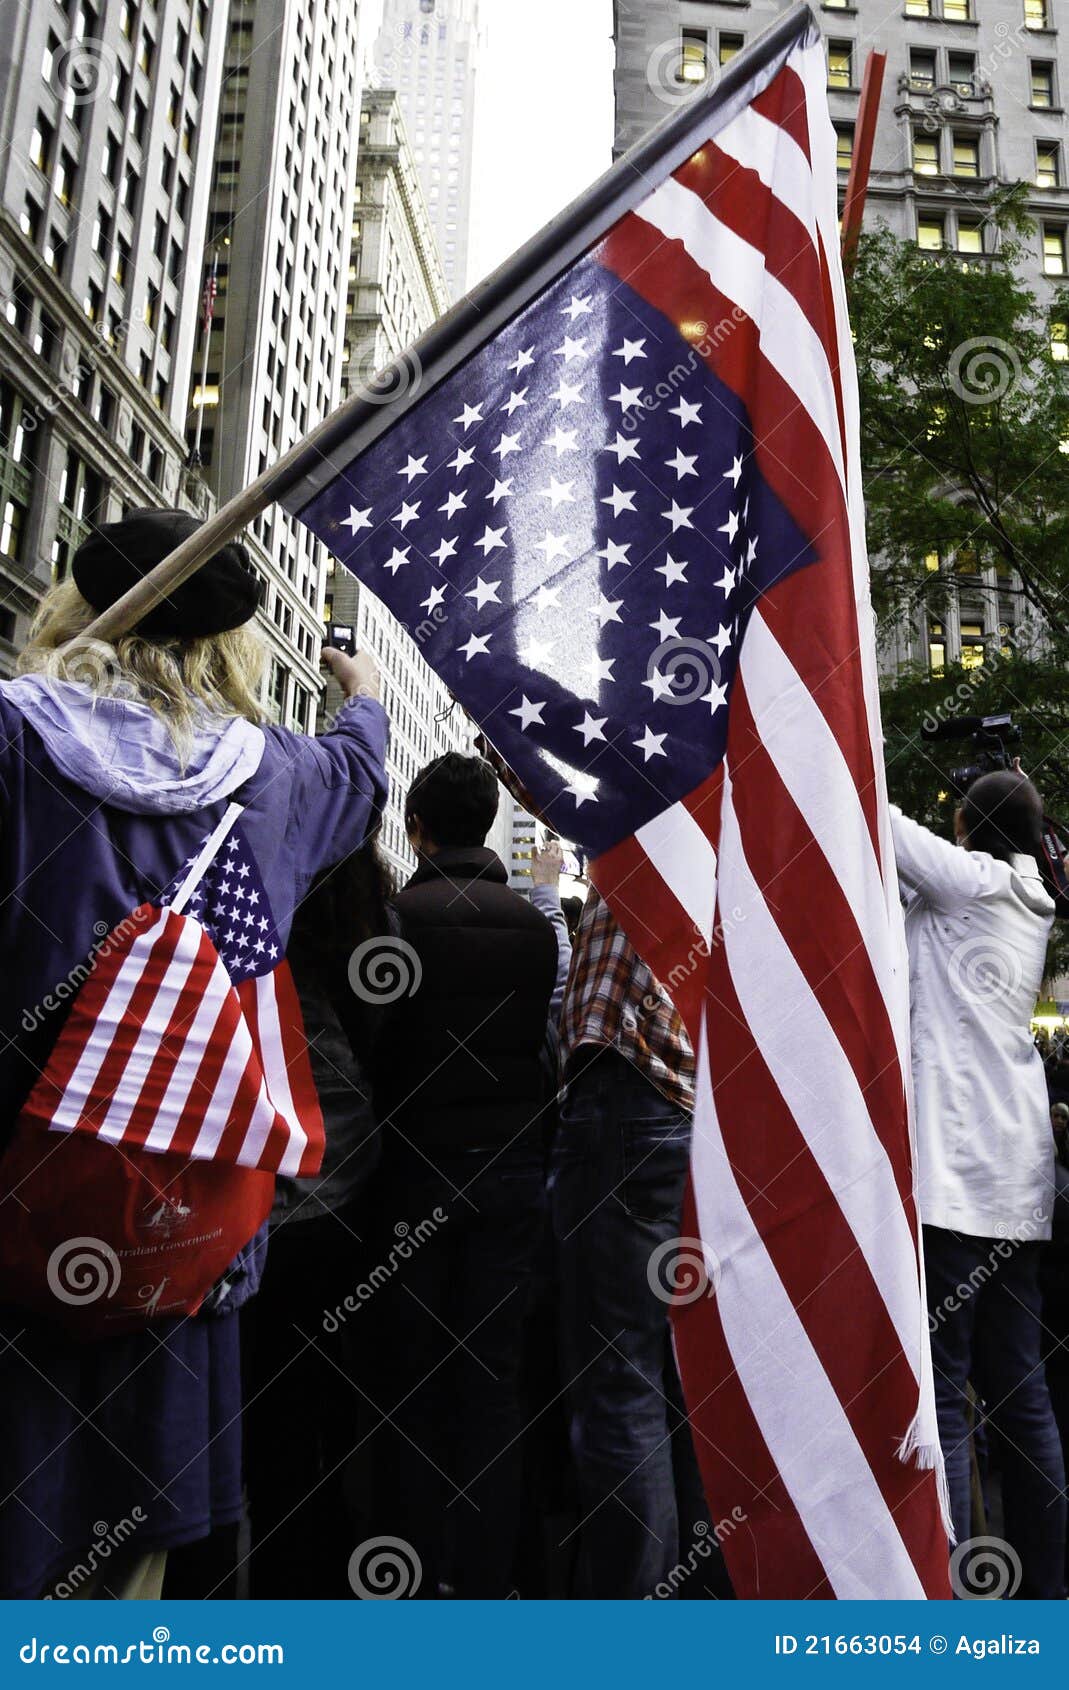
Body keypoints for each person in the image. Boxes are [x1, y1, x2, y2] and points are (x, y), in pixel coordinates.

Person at [0, 510, 387, 1599]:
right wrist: (361, 690)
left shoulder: (15, 740)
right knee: (133, 1558)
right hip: (182, 1233)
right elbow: (361, 770)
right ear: (232, 643)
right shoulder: (283, 779)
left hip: (18, 1207)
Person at [368, 752, 558, 1598]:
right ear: (485, 826)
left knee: (409, 1379)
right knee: (492, 1379)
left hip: (412, 1179)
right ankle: (484, 1574)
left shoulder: (396, 921)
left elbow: (376, 1053)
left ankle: (410, 1568)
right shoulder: (535, 931)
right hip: (509, 1177)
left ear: (416, 829)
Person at [891, 771, 1066, 1599]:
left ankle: (953, 1603)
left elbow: (871, 813)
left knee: (945, 1399)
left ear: (969, 828)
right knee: (1022, 1395)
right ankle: (1046, 1594)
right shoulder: (1028, 898)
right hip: (1016, 1183)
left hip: (953, 1179)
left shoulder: (969, 882)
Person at [240, 833, 397, 1599]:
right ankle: (329, 1562)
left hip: (266, 1211)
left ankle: (277, 1571)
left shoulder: (257, 937)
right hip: (347, 1196)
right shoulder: (372, 944)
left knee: (268, 1406)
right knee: (333, 1392)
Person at [551, 887, 716, 1599]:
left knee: (622, 1382)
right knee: (691, 1382)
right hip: (703, 1115)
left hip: (632, 1095)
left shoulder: (648, 828)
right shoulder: (756, 840)